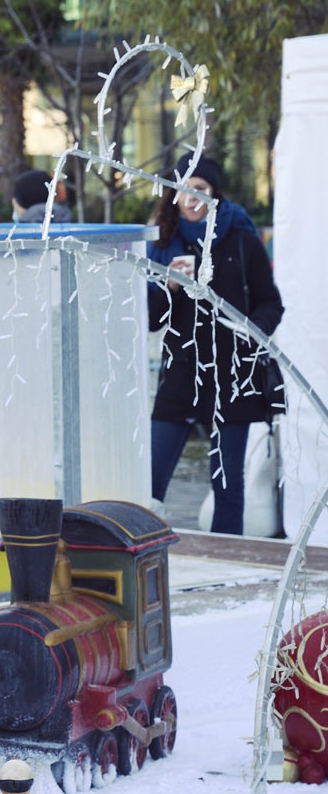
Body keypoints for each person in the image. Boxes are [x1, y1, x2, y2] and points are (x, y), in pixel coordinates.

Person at [148, 155, 284, 535]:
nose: (192, 198)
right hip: (179, 374)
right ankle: (143, 562)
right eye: (184, 189)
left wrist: (250, 330)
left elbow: (270, 303)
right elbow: (147, 319)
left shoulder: (241, 240)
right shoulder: (160, 242)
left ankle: (230, 564)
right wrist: (168, 285)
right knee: (151, 481)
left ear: (214, 194)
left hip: (232, 376)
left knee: (228, 486)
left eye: (201, 190)